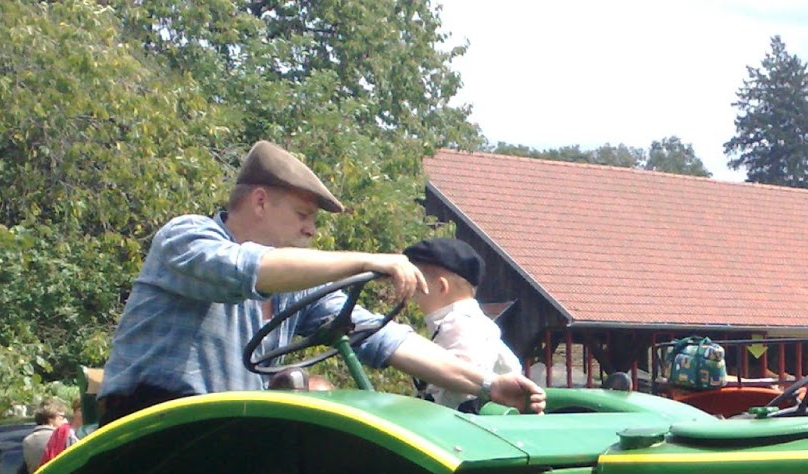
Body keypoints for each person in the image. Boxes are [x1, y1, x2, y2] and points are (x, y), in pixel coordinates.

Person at [97, 141, 543, 423]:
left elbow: (387, 338)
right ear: (258, 201)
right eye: (303, 215)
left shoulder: (298, 290)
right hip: (151, 424)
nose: (311, 230)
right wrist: (365, 260)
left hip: (221, 434)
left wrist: (487, 384)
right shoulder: (187, 239)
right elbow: (247, 270)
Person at [402, 238, 524, 410]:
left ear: (440, 286)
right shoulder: (462, 322)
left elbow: (461, 390)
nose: (412, 294)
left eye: (416, 285)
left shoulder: (461, 325)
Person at [22, 400, 69, 471]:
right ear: (50, 419)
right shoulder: (61, 437)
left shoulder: (27, 441)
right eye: (62, 416)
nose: (65, 420)